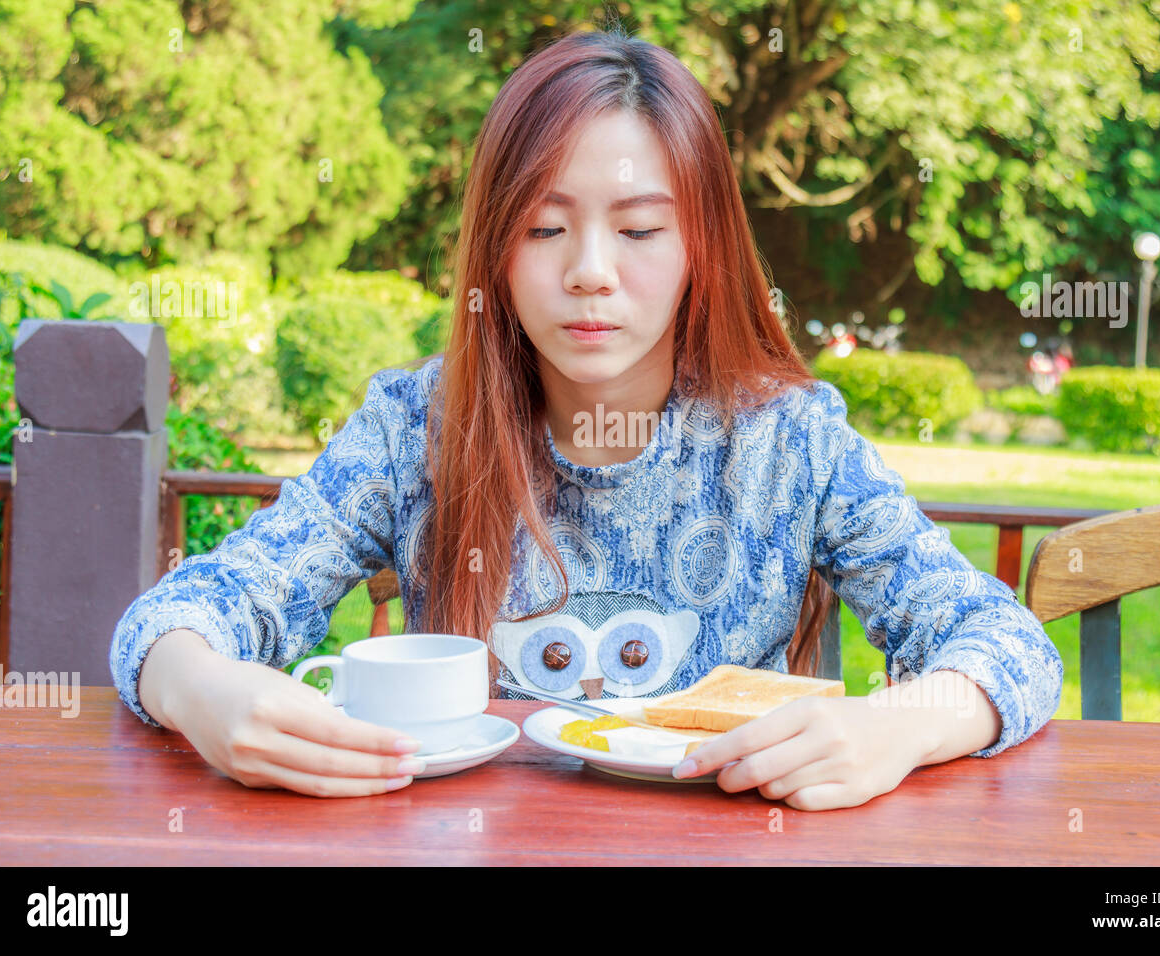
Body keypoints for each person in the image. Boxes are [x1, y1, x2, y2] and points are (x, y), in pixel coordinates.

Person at [111, 27, 1062, 810]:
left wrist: (895, 726)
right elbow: (187, 614)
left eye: (640, 229)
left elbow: (1006, 643)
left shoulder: (790, 440)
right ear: (495, 247)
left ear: (702, 247)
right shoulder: (418, 429)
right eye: (544, 227)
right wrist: (203, 690)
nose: (590, 271)